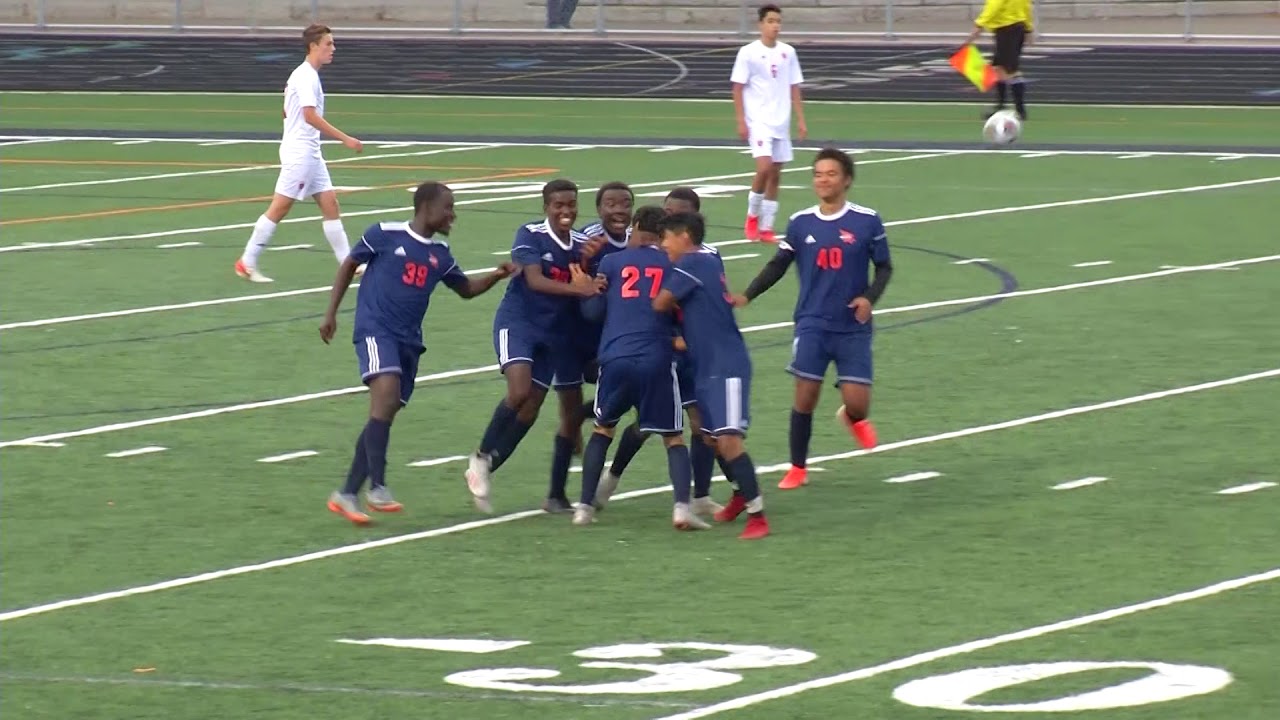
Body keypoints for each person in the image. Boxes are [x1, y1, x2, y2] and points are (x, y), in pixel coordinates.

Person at [320, 181, 514, 524]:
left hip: (409, 341)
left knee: (384, 411)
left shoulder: (440, 254)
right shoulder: (384, 233)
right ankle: (377, 486)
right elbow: (349, 265)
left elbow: (466, 289)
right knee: (386, 393)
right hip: (375, 330)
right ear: (426, 207)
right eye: (448, 208)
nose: (452, 215)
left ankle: (347, 492)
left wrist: (497, 276)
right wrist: (331, 313)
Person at [735, 147, 892, 491]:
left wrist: (869, 298)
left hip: (853, 327)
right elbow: (779, 265)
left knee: (858, 404)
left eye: (831, 173)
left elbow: (884, 267)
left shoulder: (867, 220)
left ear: (847, 180)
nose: (823, 179)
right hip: (812, 323)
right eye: (818, 173)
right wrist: (746, 294)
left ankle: (851, 418)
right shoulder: (801, 222)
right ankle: (797, 467)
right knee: (805, 396)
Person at [466, 179, 603, 514]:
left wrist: (593, 276)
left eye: (571, 204)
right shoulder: (530, 233)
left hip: (554, 333)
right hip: (519, 324)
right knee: (518, 391)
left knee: (531, 409)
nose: (566, 211)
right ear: (546, 207)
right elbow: (535, 280)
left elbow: (592, 283)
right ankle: (481, 457)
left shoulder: (583, 245)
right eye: (558, 205)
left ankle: (487, 467)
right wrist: (580, 289)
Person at [574, 206, 706, 530]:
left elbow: (593, 313)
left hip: (616, 355)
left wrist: (583, 289)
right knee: (673, 437)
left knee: (603, 430)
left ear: (634, 227)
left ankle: (584, 508)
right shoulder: (674, 263)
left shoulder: (613, 261)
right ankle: (681, 508)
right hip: (657, 356)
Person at [654, 212, 770, 540]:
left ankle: (758, 516)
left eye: (668, 238)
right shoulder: (705, 261)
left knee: (730, 440)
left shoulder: (692, 261)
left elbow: (660, 303)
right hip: (706, 364)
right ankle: (738, 494)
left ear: (686, 236)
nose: (664, 246)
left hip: (725, 364)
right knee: (710, 438)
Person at [235, 23, 364, 284]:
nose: (333, 49)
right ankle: (247, 262)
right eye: (328, 44)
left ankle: (348, 264)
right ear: (313, 46)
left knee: (330, 204)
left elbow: (287, 111)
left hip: (309, 152)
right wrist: (345, 138)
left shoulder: (304, 75)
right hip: (300, 153)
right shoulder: (305, 76)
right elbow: (309, 115)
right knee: (280, 207)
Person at [731, 4, 807, 244]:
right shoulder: (748, 52)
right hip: (759, 121)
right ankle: (752, 216)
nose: (775, 26)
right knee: (763, 168)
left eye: (778, 21)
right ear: (761, 24)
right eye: (771, 21)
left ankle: (767, 226)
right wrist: (741, 120)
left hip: (780, 121)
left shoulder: (788, 52)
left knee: (775, 175)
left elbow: (794, 86)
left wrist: (801, 119)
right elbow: (738, 87)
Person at [963, 0, 1033, 120]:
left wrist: (978, 26)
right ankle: (1001, 106)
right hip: (1017, 27)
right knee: (999, 68)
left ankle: (1020, 110)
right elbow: (1026, 6)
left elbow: (993, 7)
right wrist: (1028, 28)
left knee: (1010, 70)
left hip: (1007, 29)